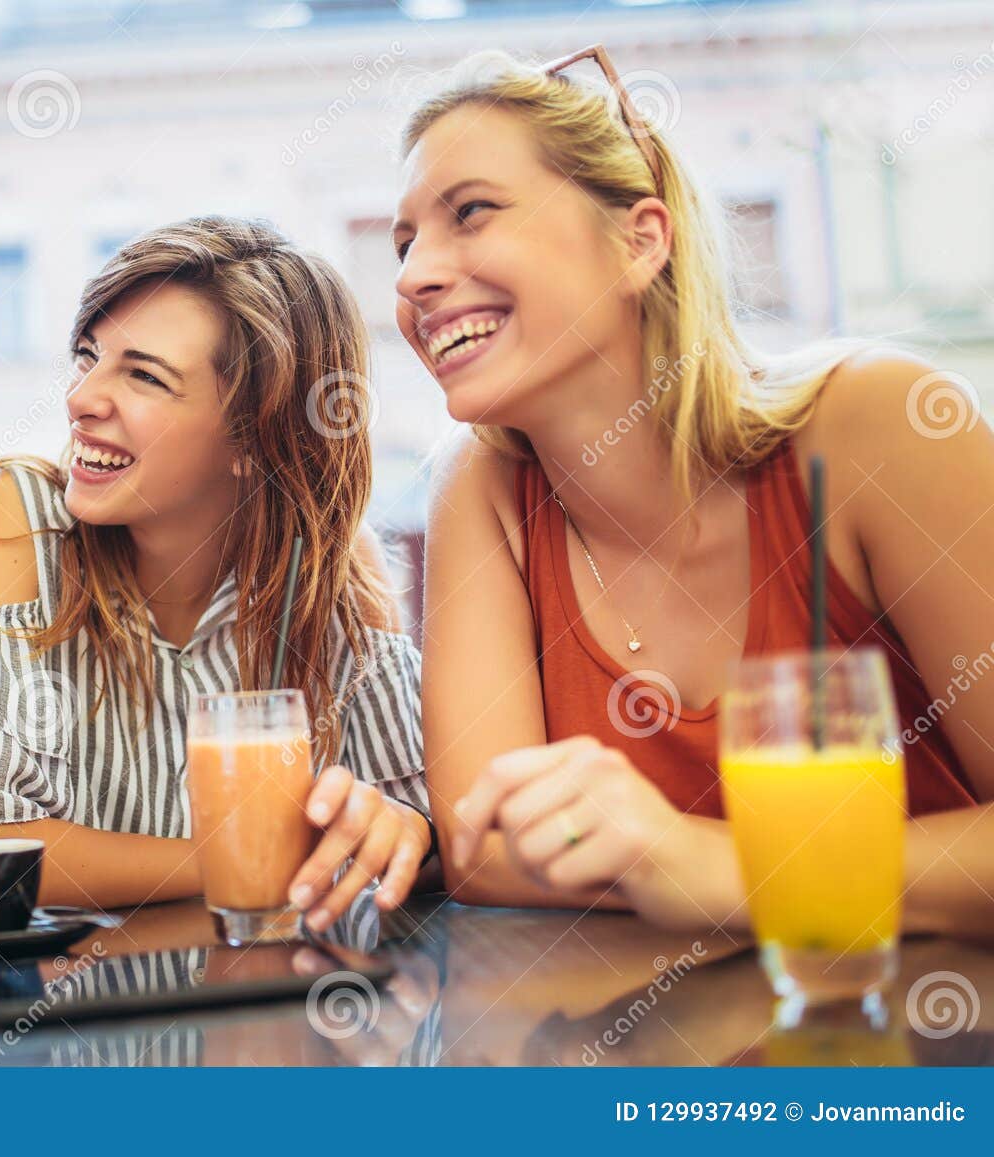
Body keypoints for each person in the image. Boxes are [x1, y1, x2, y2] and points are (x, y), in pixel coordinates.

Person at [399, 49, 994, 930]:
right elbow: (485, 849)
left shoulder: (881, 423)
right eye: (405, 243)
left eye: (472, 212)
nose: (413, 277)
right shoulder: (482, 487)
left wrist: (723, 868)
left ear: (641, 240)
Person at [0, 217, 435, 933]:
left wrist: (399, 830)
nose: (81, 398)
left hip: (268, 1013)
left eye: (143, 376)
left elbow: (417, 823)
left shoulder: (331, 573)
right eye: (88, 357)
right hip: (72, 1020)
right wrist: (246, 858)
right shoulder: (23, 524)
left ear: (256, 438)